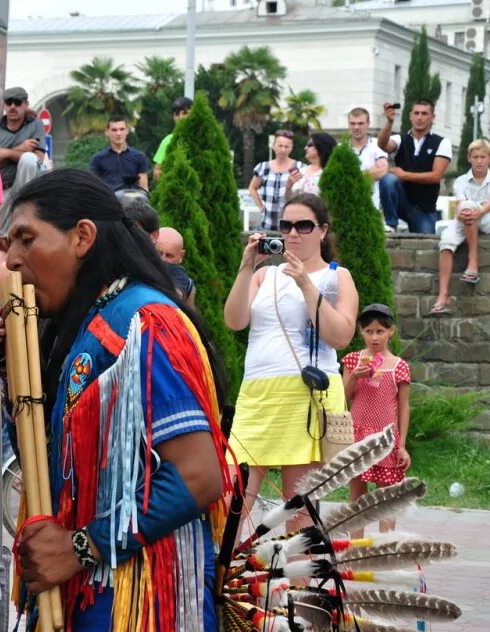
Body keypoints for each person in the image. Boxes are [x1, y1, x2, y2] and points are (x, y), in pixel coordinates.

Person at [0, 168, 231, 632]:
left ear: (82, 237)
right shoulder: (87, 321)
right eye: (8, 244)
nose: (12, 261)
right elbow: (50, 458)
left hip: (140, 606)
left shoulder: (144, 321)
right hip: (93, 596)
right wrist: (10, 360)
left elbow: (199, 474)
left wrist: (80, 548)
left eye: (26, 239)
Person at [224, 193, 359, 529]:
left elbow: (340, 336)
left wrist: (304, 283)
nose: (294, 233)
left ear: (322, 230)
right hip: (258, 391)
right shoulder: (264, 276)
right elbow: (234, 320)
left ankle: (297, 581)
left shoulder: (335, 276)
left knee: (297, 508)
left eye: (304, 225)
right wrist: (246, 266)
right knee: (231, 496)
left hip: (305, 395)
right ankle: (223, 575)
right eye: (286, 225)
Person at [343, 303, 411, 535]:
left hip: (386, 439)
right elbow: (344, 398)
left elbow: (403, 406)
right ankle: (355, 556)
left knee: (387, 500)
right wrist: (354, 377)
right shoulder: (353, 361)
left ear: (391, 331)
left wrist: (401, 446)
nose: (374, 337)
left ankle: (383, 555)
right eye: (369, 331)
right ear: (361, 332)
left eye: (380, 331)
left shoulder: (399, 366)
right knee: (357, 500)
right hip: (356, 437)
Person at [431, 139, 490, 314]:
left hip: (488, 218)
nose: (479, 161)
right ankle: (443, 296)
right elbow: (460, 204)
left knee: (470, 208)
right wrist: (465, 211)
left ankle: (473, 262)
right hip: (465, 217)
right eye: (476, 157)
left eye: (483, 157)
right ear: (469, 158)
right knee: (446, 241)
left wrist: (475, 211)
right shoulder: (460, 181)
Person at [377, 100, 452, 234]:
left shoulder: (442, 142)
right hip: (402, 201)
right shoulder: (401, 139)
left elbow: (435, 176)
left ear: (432, 117)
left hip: (424, 209)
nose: (419, 117)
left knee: (425, 246)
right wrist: (389, 122)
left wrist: (404, 175)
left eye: (424, 113)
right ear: (410, 116)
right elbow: (383, 145)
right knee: (388, 179)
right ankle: (391, 224)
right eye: (416, 113)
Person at [0, 87, 46, 229]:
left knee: (28, 160)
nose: (12, 106)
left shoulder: (35, 125)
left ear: (26, 104)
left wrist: (5, 153)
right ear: (4, 104)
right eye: (9, 102)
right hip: (1, 185)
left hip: (26, 183)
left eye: (17, 102)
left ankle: (27, 205)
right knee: (0, 232)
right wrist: (20, 149)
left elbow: (38, 159)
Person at [248, 130, 302, 231]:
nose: (283, 149)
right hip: (266, 224)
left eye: (286, 146)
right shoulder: (263, 167)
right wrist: (260, 206)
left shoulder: (299, 168)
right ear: (273, 146)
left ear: (291, 148)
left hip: (291, 224)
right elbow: (252, 187)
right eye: (280, 145)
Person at [89, 116, 149, 192]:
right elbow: (93, 187)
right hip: (108, 201)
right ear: (107, 132)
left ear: (127, 131)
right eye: (114, 130)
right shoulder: (97, 158)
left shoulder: (139, 156)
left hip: (132, 201)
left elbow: (144, 188)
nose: (118, 133)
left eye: (122, 129)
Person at [347, 107, 389, 210]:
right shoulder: (341, 148)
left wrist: (350, 179)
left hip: (372, 208)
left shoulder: (378, 144)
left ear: (368, 124)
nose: (356, 127)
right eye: (352, 123)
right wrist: (370, 174)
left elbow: (381, 171)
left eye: (360, 123)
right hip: (347, 208)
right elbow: (336, 180)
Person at [152, 96, 193, 181]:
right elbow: (157, 171)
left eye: (185, 113)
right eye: (177, 114)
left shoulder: (205, 137)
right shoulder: (168, 140)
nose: (181, 118)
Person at [286, 132, 336, 197]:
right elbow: (288, 200)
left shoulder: (330, 173)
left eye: (309, 145)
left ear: (321, 147)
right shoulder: (302, 171)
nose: (305, 148)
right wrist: (288, 187)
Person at [156, 226, 195, 304]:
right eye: (158, 253)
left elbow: (177, 296)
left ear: (181, 256)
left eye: (169, 256)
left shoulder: (180, 276)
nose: (163, 259)